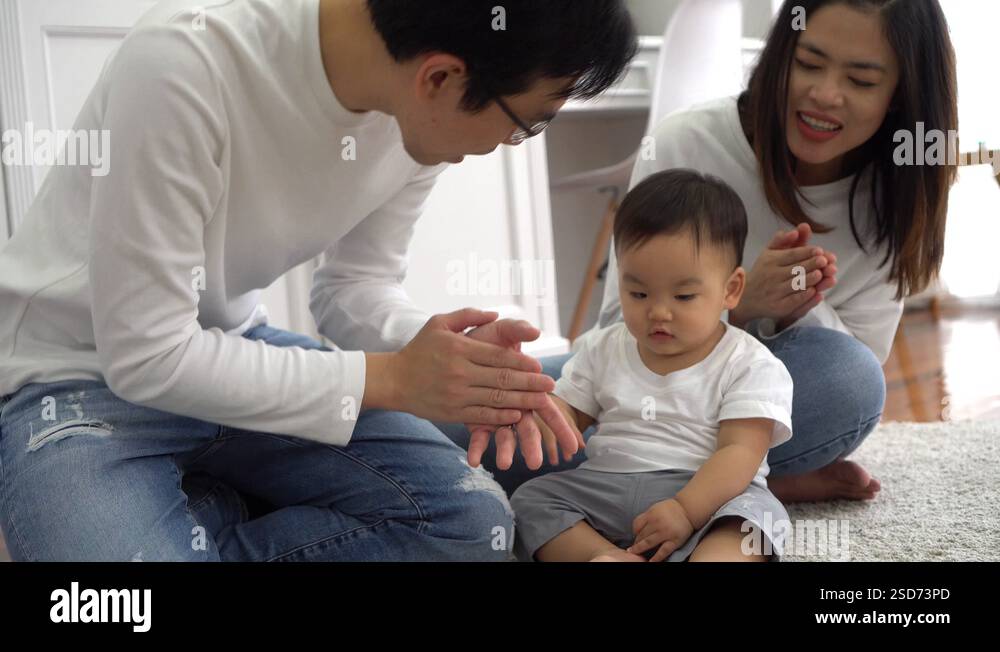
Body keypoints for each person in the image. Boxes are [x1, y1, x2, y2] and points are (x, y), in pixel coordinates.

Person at [0, 0, 637, 561]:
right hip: (74, 380)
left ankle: (209, 513)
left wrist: (451, 361)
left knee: (474, 525)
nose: (513, 142)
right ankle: (216, 505)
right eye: (527, 122)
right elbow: (147, 358)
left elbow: (353, 287)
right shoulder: (182, 65)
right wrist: (394, 379)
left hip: (238, 352)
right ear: (440, 77)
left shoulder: (414, 111)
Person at [459, 0, 958, 506]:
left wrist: (782, 312)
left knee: (847, 377)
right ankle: (744, 484)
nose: (825, 94)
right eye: (808, 63)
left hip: (742, 404)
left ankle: (640, 485)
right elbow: (614, 328)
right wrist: (733, 305)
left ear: (901, 95)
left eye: (862, 81)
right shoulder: (691, 140)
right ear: (781, 54)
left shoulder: (895, 196)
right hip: (634, 385)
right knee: (455, 429)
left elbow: (853, 376)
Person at [510, 169, 794, 562]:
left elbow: (740, 452)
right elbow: (567, 417)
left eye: (683, 295)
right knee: (529, 500)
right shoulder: (603, 347)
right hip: (606, 486)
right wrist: (539, 412)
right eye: (638, 292)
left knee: (757, 519)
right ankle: (604, 555)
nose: (658, 312)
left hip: (705, 493)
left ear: (731, 289)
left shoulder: (750, 364)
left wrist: (685, 509)